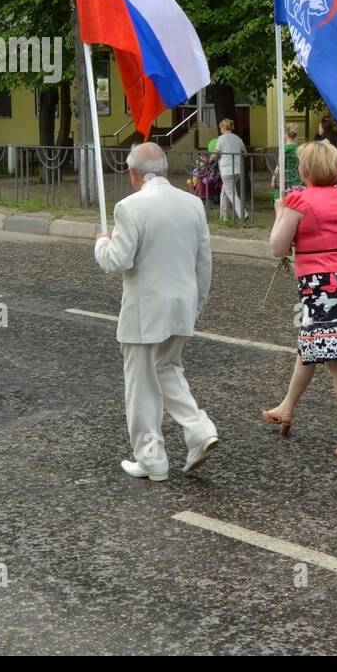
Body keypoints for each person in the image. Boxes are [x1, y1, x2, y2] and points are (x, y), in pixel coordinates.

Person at [94, 142, 219, 482]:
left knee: (141, 385)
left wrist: (101, 243)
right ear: (163, 169)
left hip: (144, 312)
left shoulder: (129, 207)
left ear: (134, 174)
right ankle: (198, 428)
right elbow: (203, 263)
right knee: (166, 369)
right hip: (182, 305)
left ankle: (151, 459)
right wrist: (196, 305)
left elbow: (117, 260)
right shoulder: (193, 204)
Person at [264, 141, 337, 460]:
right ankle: (286, 407)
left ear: (306, 170)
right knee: (310, 347)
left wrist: (279, 213)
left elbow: (277, 248)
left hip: (316, 284)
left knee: (336, 360)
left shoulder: (298, 200)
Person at [214, 118, 246, 221]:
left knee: (232, 194)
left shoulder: (221, 139)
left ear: (223, 128)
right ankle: (223, 216)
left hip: (226, 170)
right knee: (224, 192)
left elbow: (215, 154)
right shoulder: (238, 138)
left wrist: (208, 161)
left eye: (220, 128)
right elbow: (245, 152)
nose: (220, 131)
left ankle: (243, 214)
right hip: (237, 170)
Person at [270, 124, 303, 198]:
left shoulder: (283, 149)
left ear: (286, 134)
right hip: (296, 179)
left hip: (285, 179)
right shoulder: (299, 148)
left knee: (280, 198)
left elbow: (279, 166)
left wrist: (273, 179)